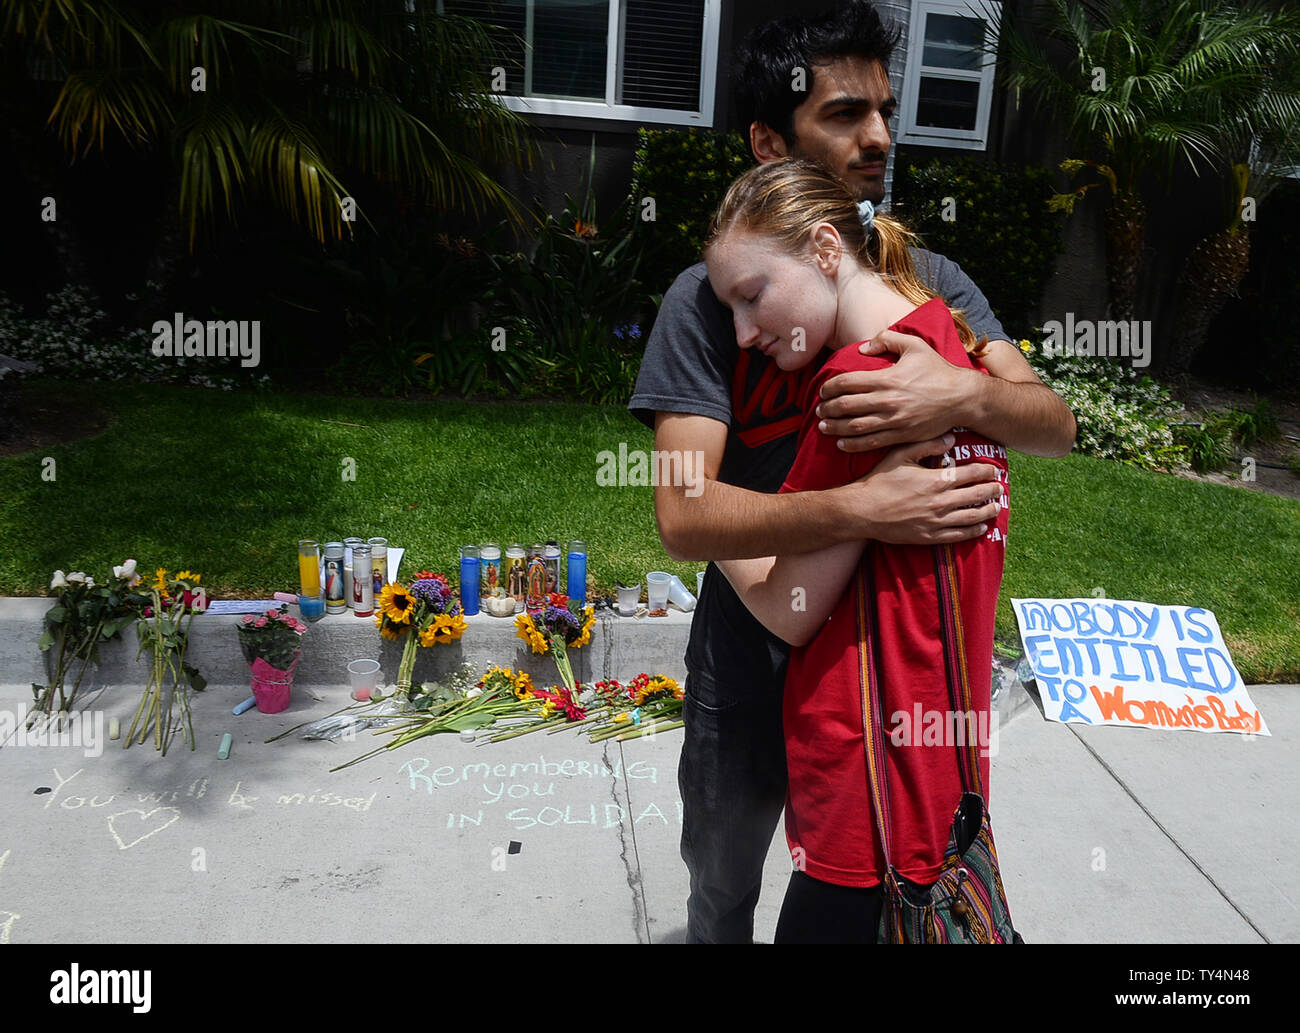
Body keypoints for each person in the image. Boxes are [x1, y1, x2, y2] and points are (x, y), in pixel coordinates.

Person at [626, 0, 1075, 943]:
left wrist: (957, 396)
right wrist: (865, 505)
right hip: (752, 654)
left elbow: (1054, 425)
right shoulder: (709, 301)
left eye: (883, 110)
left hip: (887, 666)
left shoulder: (932, 284)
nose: (877, 137)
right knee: (723, 879)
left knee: (872, 882)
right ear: (767, 143)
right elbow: (682, 509)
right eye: (842, 114)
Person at [704, 156, 1011, 942]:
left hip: (861, 786)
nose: (743, 333)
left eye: (752, 294)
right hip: (943, 779)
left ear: (825, 248)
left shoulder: (857, 389)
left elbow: (790, 611)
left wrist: (714, 535)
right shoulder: (949, 350)